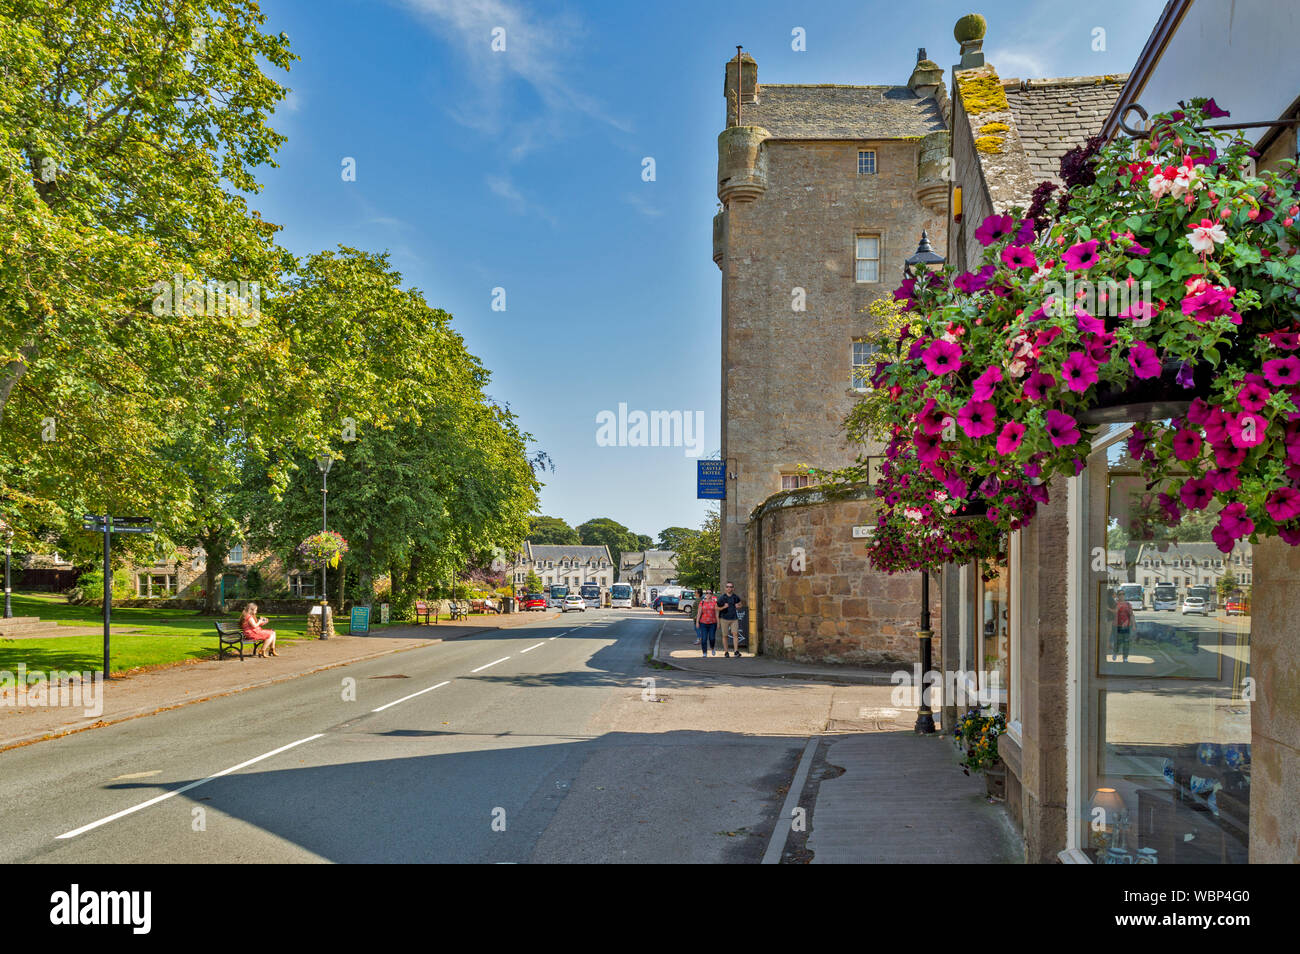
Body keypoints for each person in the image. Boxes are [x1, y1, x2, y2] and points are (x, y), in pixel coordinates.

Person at [717, 581, 745, 658]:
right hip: (724, 618)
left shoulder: (735, 597)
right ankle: (726, 652)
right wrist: (723, 607)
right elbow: (716, 608)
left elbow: (740, 604)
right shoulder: (722, 598)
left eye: (730, 587)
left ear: (733, 588)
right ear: (725, 588)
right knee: (725, 635)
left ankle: (736, 651)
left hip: (734, 618)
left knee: (735, 634)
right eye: (727, 587)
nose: (729, 588)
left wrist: (738, 606)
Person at [697, 589, 719, 657]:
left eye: (710, 593)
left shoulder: (715, 603)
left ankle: (712, 648)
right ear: (705, 594)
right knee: (704, 639)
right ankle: (704, 652)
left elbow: (717, 613)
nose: (708, 594)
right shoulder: (702, 602)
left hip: (713, 623)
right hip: (703, 623)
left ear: (712, 594)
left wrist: (718, 623)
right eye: (707, 593)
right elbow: (699, 613)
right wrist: (697, 622)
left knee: (712, 638)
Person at [1114, 593, 1133, 663]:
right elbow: (1112, 613)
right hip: (1117, 626)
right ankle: (1115, 652)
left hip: (1126, 626)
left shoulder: (1128, 604)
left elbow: (1131, 615)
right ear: (1118, 596)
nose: (1122, 596)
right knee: (1118, 641)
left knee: (1126, 642)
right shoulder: (1115, 604)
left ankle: (1125, 657)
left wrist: (1133, 625)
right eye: (1120, 594)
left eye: (1123, 594)